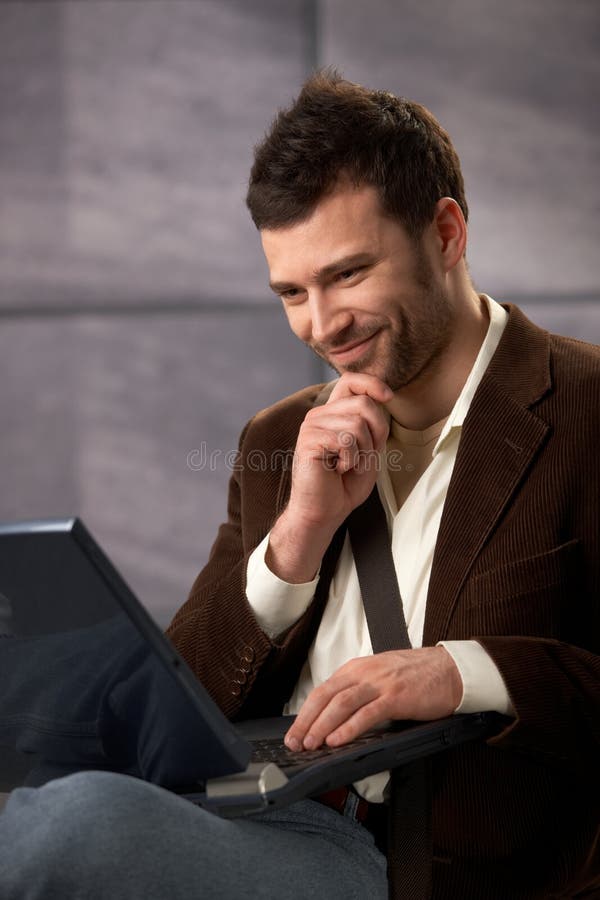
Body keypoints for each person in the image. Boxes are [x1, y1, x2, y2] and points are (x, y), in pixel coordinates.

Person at [1, 70, 599, 899]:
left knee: (72, 828)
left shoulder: (587, 409)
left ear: (448, 233)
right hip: (249, 812)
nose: (321, 327)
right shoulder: (278, 437)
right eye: (291, 291)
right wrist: (296, 541)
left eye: (349, 274)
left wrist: (465, 673)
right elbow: (192, 701)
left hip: (418, 857)